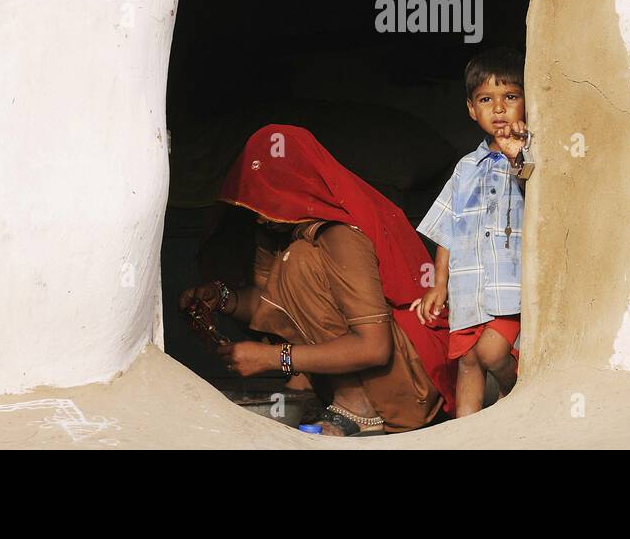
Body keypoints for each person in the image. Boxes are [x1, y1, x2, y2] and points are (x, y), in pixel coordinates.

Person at [179, 124, 455, 436]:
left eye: (267, 195)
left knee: (300, 259)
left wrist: (273, 358)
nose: (258, 213)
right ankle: (324, 391)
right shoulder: (277, 227)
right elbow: (271, 302)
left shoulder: (339, 235)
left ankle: (357, 404)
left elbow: (375, 348)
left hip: (412, 383)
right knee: (295, 260)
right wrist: (222, 298)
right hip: (372, 367)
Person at [413, 48, 528, 417]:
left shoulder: (529, 152)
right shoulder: (465, 167)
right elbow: (447, 227)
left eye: (509, 97)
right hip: (467, 291)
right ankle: (466, 434)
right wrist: (440, 283)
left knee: (493, 352)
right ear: (470, 109)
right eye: (485, 99)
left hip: (508, 288)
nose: (498, 108)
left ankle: (517, 394)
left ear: (526, 100)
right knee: (467, 363)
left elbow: (536, 185)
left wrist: (517, 155)